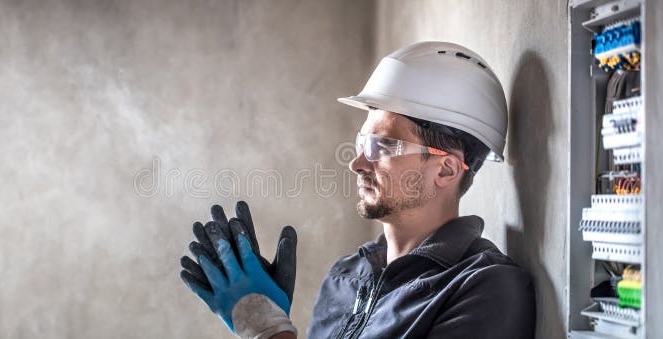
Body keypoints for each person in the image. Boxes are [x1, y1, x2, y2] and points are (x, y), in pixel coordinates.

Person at [178, 41, 536, 339]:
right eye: (362, 142)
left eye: (381, 146)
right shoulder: (344, 278)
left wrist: (268, 330)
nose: (358, 163)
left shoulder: (486, 290)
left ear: (445, 168)